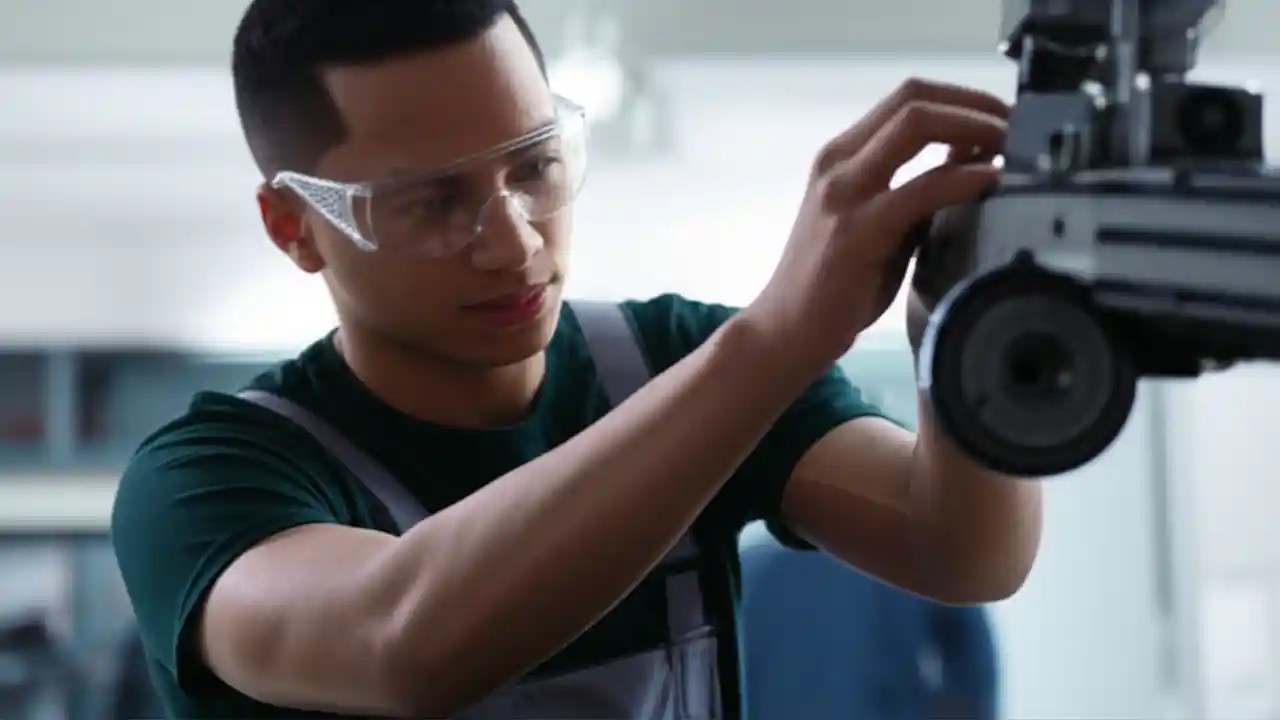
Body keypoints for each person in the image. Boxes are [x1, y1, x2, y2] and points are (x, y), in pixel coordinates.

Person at [109, 1, 1043, 717]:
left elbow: (961, 548)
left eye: (533, 168)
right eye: (431, 202)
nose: (513, 245)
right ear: (295, 227)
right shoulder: (206, 484)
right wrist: (778, 338)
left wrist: (962, 326)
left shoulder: (675, 359)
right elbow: (403, 642)